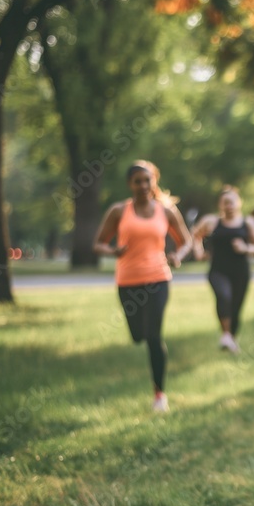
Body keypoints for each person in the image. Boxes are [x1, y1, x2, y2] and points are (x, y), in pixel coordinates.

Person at [93, 160, 193, 412]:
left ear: (153, 182)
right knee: (138, 335)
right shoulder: (118, 211)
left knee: (153, 336)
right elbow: (98, 243)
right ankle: (144, 345)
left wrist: (178, 255)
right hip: (127, 282)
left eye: (147, 180)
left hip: (158, 279)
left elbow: (186, 241)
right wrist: (113, 250)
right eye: (138, 181)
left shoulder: (166, 211)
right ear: (130, 184)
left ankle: (159, 394)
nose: (143, 185)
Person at [188, 186, 254, 354]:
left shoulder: (248, 222)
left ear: (239, 203)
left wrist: (246, 248)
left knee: (236, 308)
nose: (228, 205)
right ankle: (225, 334)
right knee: (224, 297)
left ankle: (230, 338)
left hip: (241, 272)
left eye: (231, 202)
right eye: (225, 203)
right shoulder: (211, 221)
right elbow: (195, 235)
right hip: (218, 270)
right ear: (220, 205)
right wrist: (199, 252)